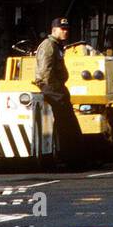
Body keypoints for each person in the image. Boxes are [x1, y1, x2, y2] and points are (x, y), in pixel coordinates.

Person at [34, 17, 84, 162]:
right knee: (67, 122)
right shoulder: (49, 46)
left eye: (67, 29)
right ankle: (72, 157)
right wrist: (56, 89)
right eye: (62, 29)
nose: (66, 32)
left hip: (56, 87)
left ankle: (73, 155)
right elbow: (46, 71)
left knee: (68, 122)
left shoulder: (57, 45)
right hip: (52, 89)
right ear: (54, 30)